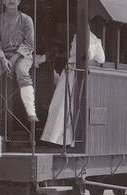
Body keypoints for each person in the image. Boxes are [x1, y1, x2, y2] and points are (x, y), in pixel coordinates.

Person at [40, 17, 105, 146]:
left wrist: (87, 57)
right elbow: (96, 57)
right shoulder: (86, 37)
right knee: (62, 104)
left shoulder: (91, 38)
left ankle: (63, 138)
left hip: (76, 72)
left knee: (68, 105)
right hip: (71, 71)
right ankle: (58, 138)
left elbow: (98, 57)